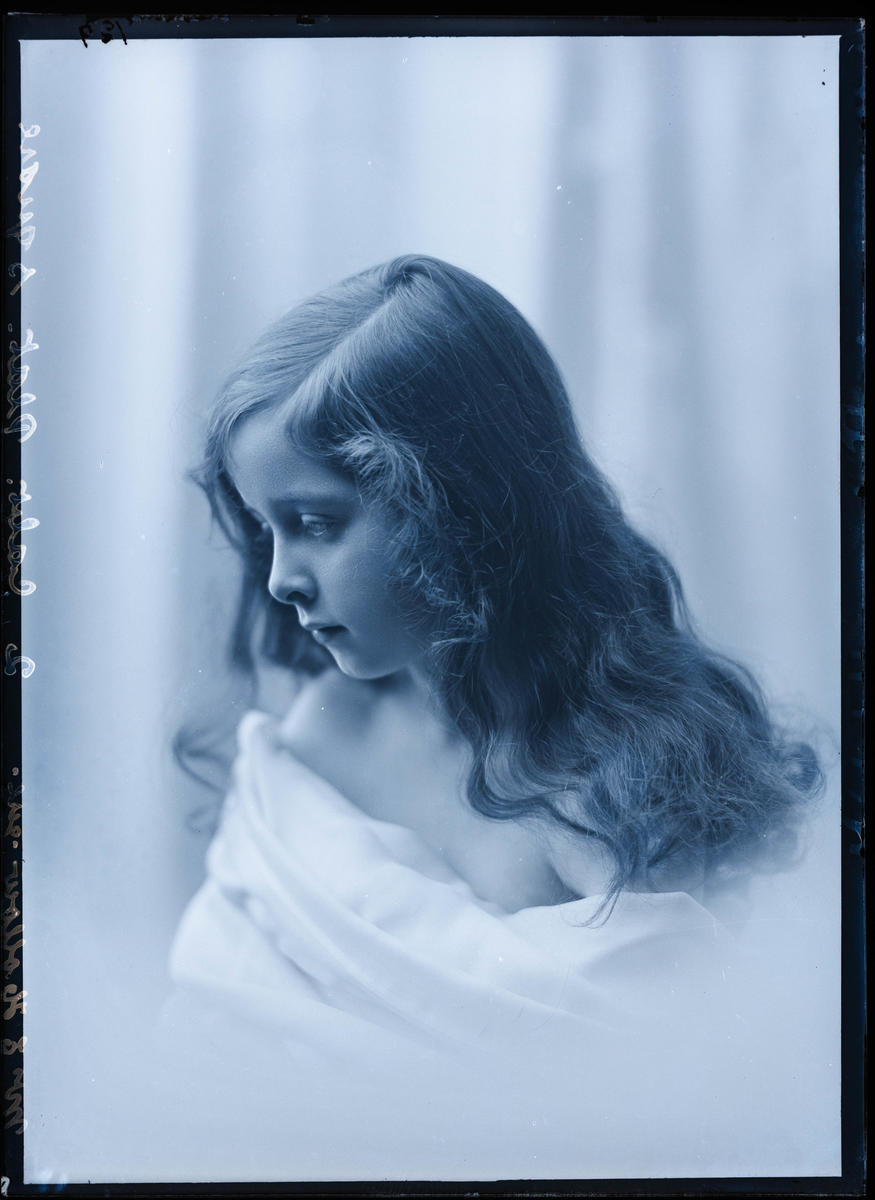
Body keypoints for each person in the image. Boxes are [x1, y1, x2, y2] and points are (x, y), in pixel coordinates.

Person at [163, 254, 829, 1179]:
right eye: (265, 529)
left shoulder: (613, 786)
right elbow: (218, 1029)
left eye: (315, 522)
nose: (279, 578)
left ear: (454, 507)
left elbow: (677, 1101)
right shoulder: (322, 738)